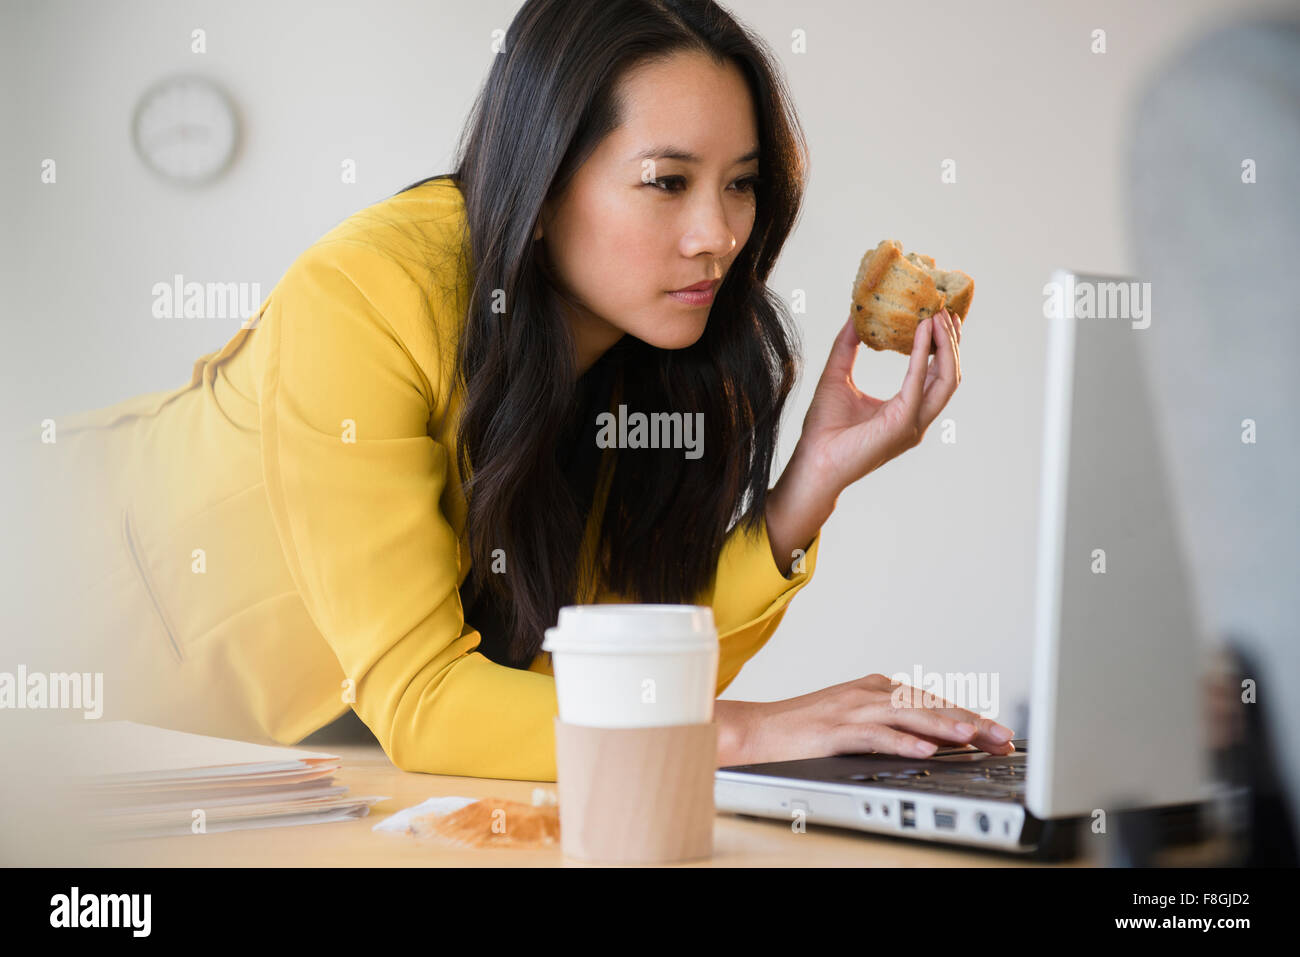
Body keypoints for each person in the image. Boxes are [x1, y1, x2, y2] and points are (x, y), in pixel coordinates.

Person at [1, 0, 1010, 781]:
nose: (720, 234)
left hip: (290, 764)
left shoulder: (661, 348)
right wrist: (763, 731)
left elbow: (619, 673)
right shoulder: (368, 292)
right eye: (667, 181)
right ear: (540, 182)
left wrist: (812, 485)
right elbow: (427, 700)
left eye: (741, 181)